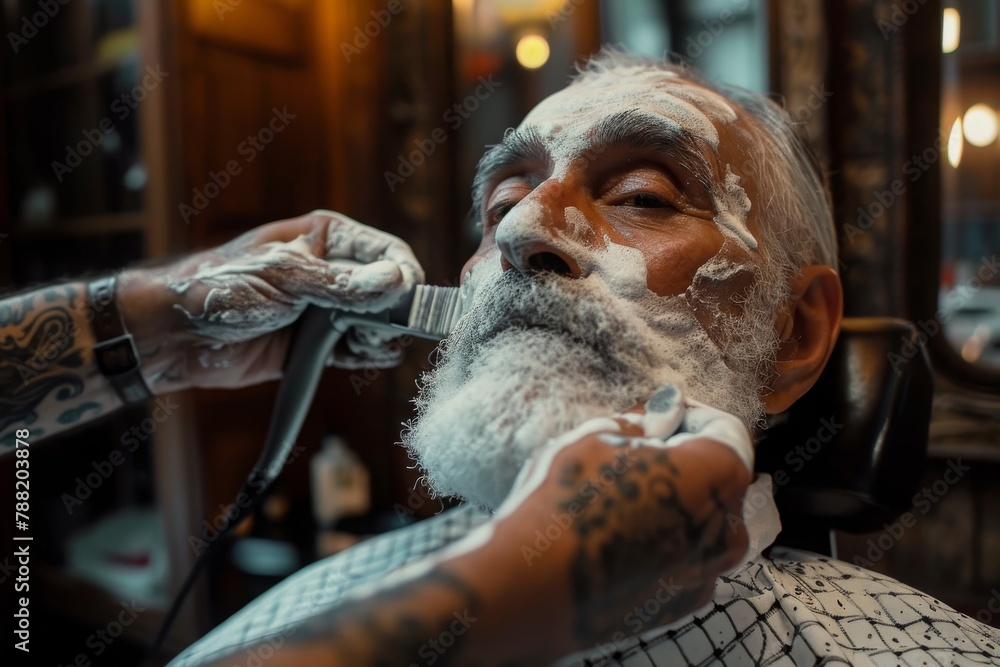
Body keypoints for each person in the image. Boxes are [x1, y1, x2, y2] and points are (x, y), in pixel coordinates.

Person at [4, 51, 998, 666]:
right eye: (498, 204)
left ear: (793, 335)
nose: (522, 228)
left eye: (644, 195)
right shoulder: (291, 617)